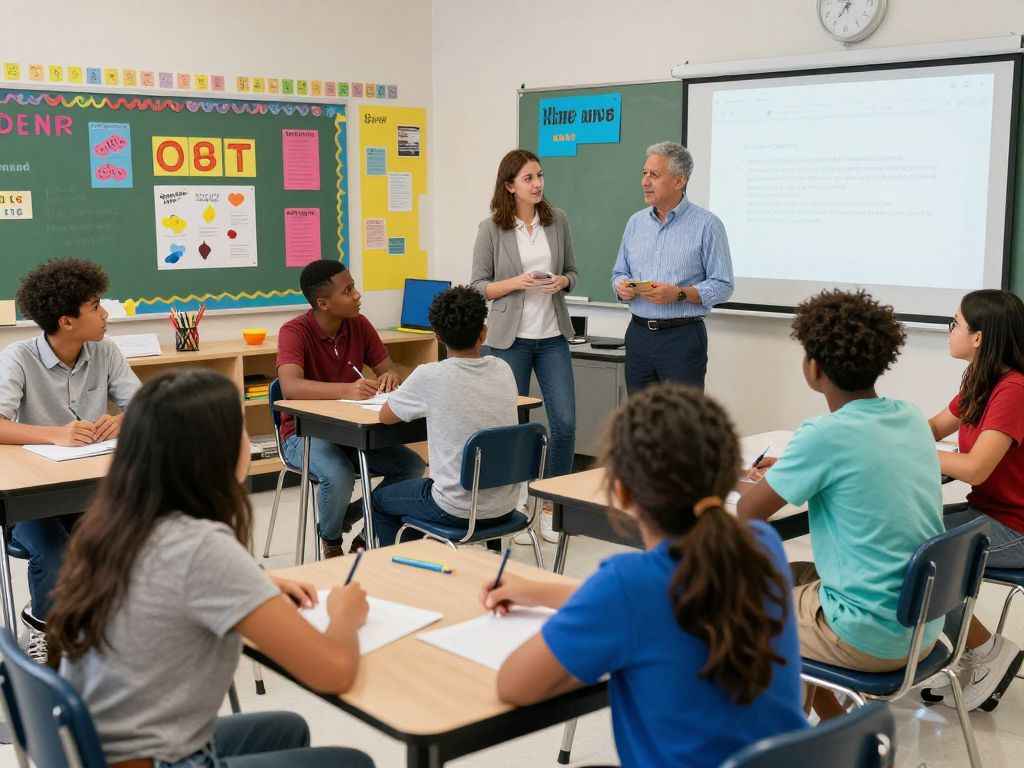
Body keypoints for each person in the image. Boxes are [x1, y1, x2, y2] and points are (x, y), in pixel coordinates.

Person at [46, 369, 374, 768]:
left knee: (286, 729)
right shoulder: (201, 547)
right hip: (159, 759)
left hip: (96, 750)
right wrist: (344, 614)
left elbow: (170, 592)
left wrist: (256, 586)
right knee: (350, 762)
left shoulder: (115, 524)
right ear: (210, 452)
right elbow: (334, 672)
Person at [481, 384, 806, 768]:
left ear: (621, 491)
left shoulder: (628, 586)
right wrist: (537, 591)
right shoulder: (761, 544)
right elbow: (650, 607)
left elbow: (514, 685)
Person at [738, 289, 944, 720]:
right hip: (924, 624)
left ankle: (784, 738)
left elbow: (748, 512)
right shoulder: (909, 416)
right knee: (788, 577)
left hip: (866, 636)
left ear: (812, 368)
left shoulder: (823, 435)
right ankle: (836, 727)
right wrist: (795, 467)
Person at [0, 258, 140, 660]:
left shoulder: (105, 349)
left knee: (118, 542)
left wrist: (121, 420)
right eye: (95, 306)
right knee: (56, 552)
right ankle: (46, 629)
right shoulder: (18, 358)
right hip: (29, 495)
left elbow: (147, 405)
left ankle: (98, 623)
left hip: (90, 487)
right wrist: (55, 435)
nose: (105, 313)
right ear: (66, 321)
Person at [276, 259, 425, 557]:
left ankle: (360, 521)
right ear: (323, 303)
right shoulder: (294, 331)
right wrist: (347, 390)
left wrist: (390, 376)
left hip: (351, 431)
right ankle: (331, 541)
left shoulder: (360, 324)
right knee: (338, 474)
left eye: (353, 286)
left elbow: (388, 369)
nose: (357, 295)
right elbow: (290, 387)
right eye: (348, 290)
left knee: (412, 466)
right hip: (302, 434)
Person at [921, 289, 1024, 711]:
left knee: (917, 556)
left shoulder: (1014, 389)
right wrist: (880, 431)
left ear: (979, 337)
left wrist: (906, 450)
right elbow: (932, 427)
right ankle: (967, 651)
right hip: (989, 513)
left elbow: (976, 467)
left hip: (1016, 529)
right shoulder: (982, 382)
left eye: (955, 324)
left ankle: (984, 652)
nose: (950, 331)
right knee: (908, 532)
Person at [471, 148, 578, 542]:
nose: (538, 184)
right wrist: (517, 281)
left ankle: (551, 506)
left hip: (551, 337)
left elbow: (573, 271)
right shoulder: (492, 228)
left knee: (564, 423)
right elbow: (478, 286)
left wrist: (561, 282)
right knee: (513, 426)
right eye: (529, 178)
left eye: (540, 176)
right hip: (509, 340)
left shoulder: (557, 220)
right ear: (509, 185)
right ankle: (512, 505)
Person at [371, 286, 521, 547]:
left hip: (455, 508)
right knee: (416, 498)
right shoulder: (503, 368)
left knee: (381, 501)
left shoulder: (429, 375)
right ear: (483, 332)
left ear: (437, 336)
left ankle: (400, 574)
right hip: (506, 505)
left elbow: (386, 417)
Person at [611, 141, 734, 394]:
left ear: (679, 181)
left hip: (682, 338)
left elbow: (723, 285)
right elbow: (619, 272)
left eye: (654, 175)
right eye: (644, 173)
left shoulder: (707, 225)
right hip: (638, 335)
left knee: (681, 425)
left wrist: (678, 293)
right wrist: (621, 287)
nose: (645, 181)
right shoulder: (635, 223)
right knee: (640, 423)